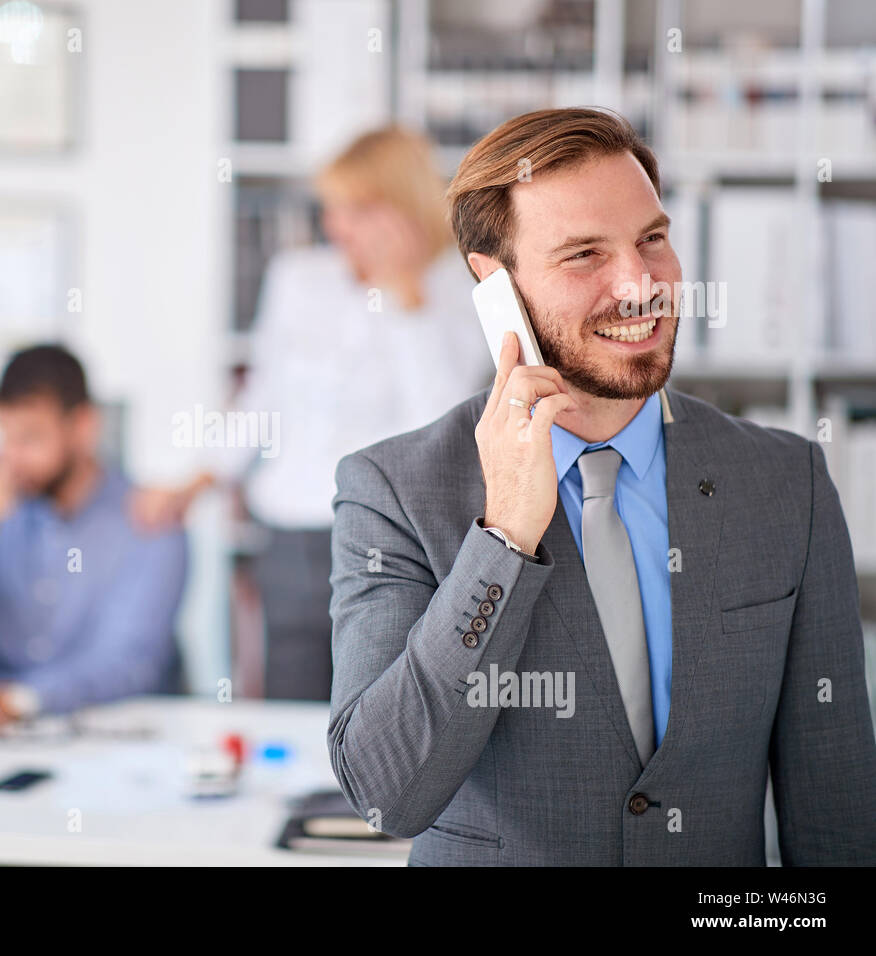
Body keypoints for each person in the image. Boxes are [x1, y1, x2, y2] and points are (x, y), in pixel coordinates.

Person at [327, 107, 876, 865]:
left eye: (653, 239)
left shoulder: (787, 481)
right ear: (496, 287)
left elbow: (837, 811)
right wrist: (503, 539)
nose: (640, 283)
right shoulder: (392, 491)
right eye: (584, 254)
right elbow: (388, 792)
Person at [131, 125, 490, 702]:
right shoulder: (297, 280)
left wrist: (405, 295)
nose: (337, 227)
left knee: (380, 709)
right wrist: (196, 480)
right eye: (333, 209)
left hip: (388, 534)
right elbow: (263, 398)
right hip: (289, 530)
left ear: (402, 206)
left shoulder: (459, 290)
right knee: (290, 704)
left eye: (357, 210)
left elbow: (443, 427)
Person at [0, 345, 188, 739]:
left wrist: (17, 702)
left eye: (29, 438)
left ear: (83, 427)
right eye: (3, 436)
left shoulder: (147, 520)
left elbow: (128, 665)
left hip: (100, 741)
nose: (9, 458)